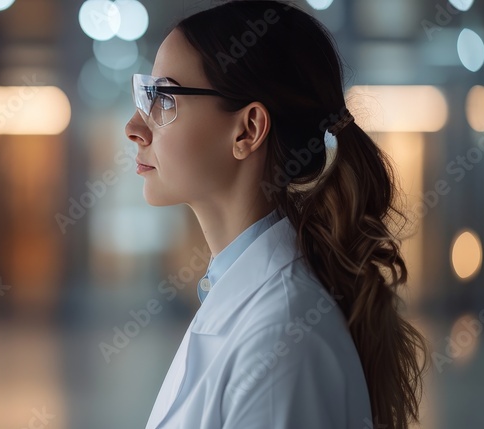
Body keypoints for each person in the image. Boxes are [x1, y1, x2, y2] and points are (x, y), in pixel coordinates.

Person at [124, 2, 428, 428]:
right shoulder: (247, 303)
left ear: (248, 130)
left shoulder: (280, 341)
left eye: (164, 99)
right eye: (145, 95)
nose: (134, 127)